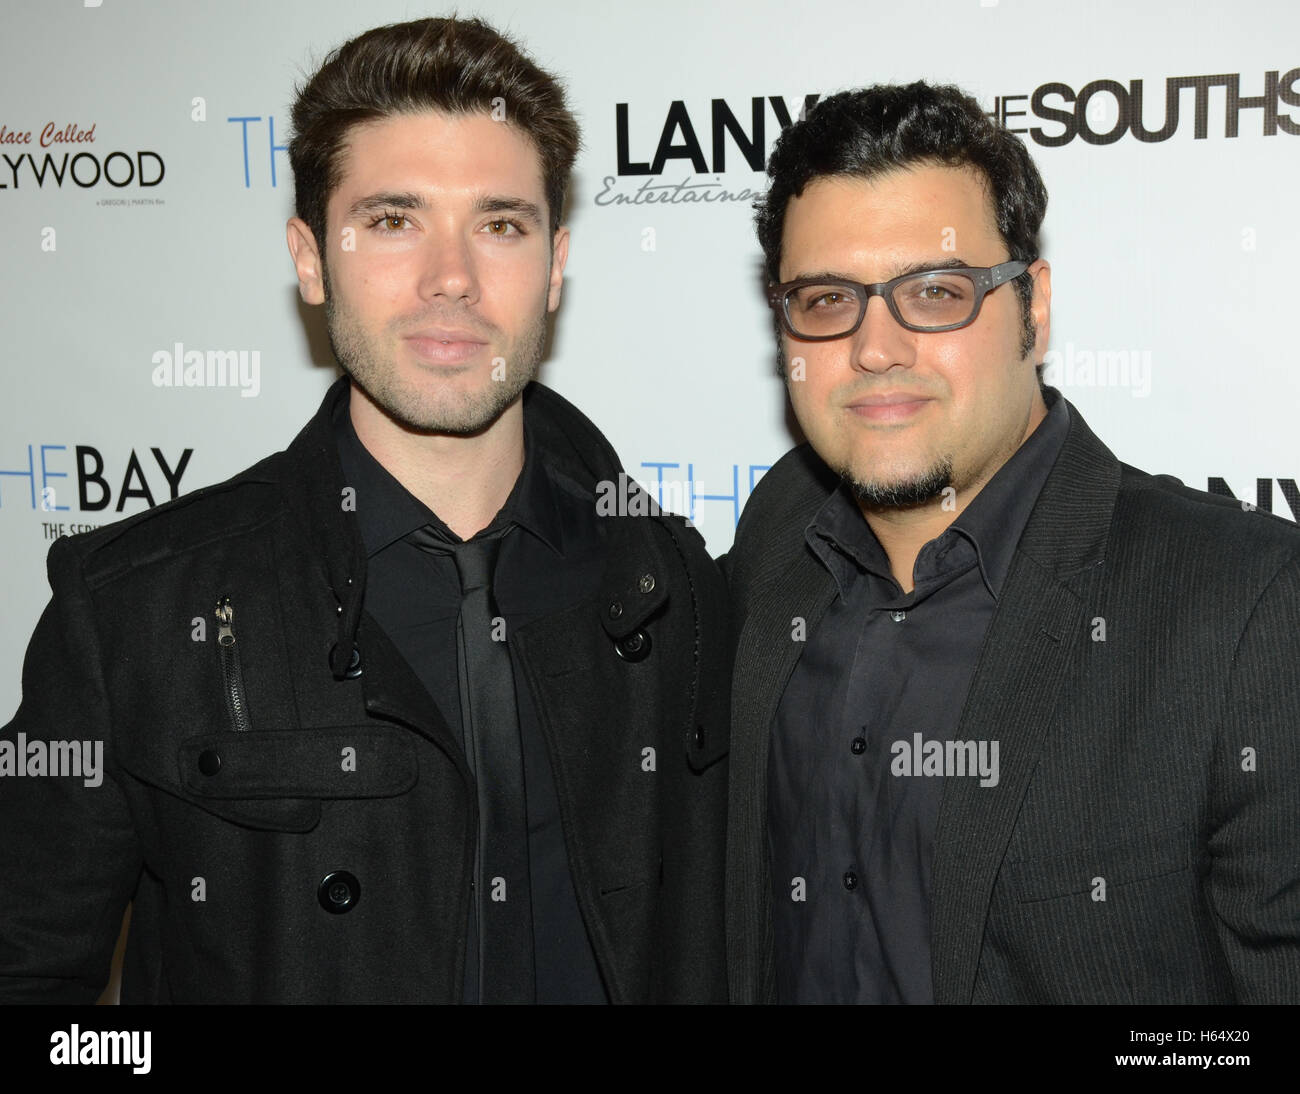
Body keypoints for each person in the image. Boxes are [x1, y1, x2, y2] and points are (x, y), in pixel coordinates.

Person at [0, 17, 728, 1004]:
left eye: (500, 223)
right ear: (310, 259)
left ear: (554, 265)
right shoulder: (135, 607)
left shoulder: (672, 587)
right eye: (393, 219)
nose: (451, 278)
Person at [724, 81, 1300, 1004]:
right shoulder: (774, 547)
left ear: (1031, 305)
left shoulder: (1248, 607)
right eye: (827, 300)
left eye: (936, 292)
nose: (876, 349)